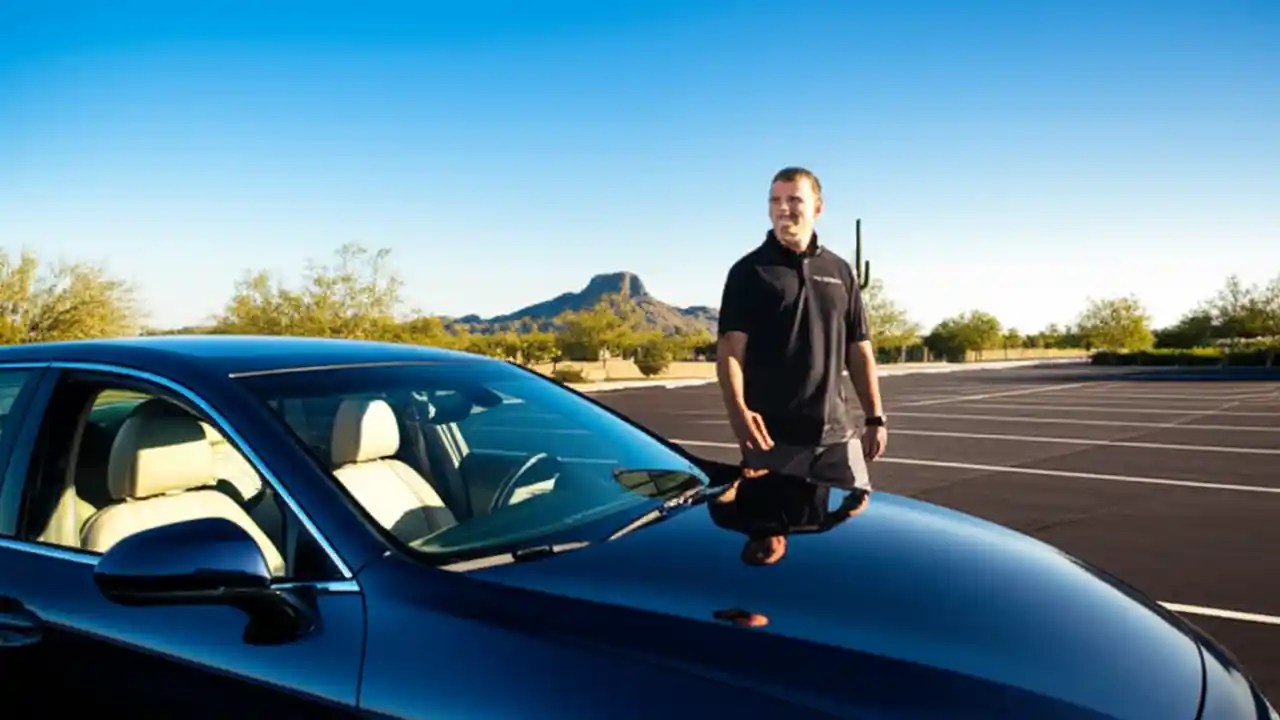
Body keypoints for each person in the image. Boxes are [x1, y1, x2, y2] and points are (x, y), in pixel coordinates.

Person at [715, 166, 887, 488]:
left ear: (817, 208)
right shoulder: (749, 271)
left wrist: (875, 417)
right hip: (772, 442)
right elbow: (730, 350)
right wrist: (738, 412)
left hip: (838, 439)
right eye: (775, 200)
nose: (783, 208)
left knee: (850, 532)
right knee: (772, 535)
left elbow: (858, 347)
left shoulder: (840, 271)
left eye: (794, 199)